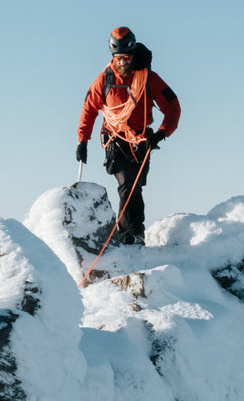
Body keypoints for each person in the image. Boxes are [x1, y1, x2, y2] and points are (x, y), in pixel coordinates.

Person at [75, 26, 182, 245]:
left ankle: (135, 233)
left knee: (136, 186)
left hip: (142, 141)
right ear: (113, 57)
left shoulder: (149, 78)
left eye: (127, 57)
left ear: (133, 55)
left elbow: (173, 106)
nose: (123, 62)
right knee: (127, 184)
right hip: (115, 140)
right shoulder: (104, 80)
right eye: (119, 57)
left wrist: (161, 134)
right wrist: (82, 141)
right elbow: (89, 109)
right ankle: (127, 235)